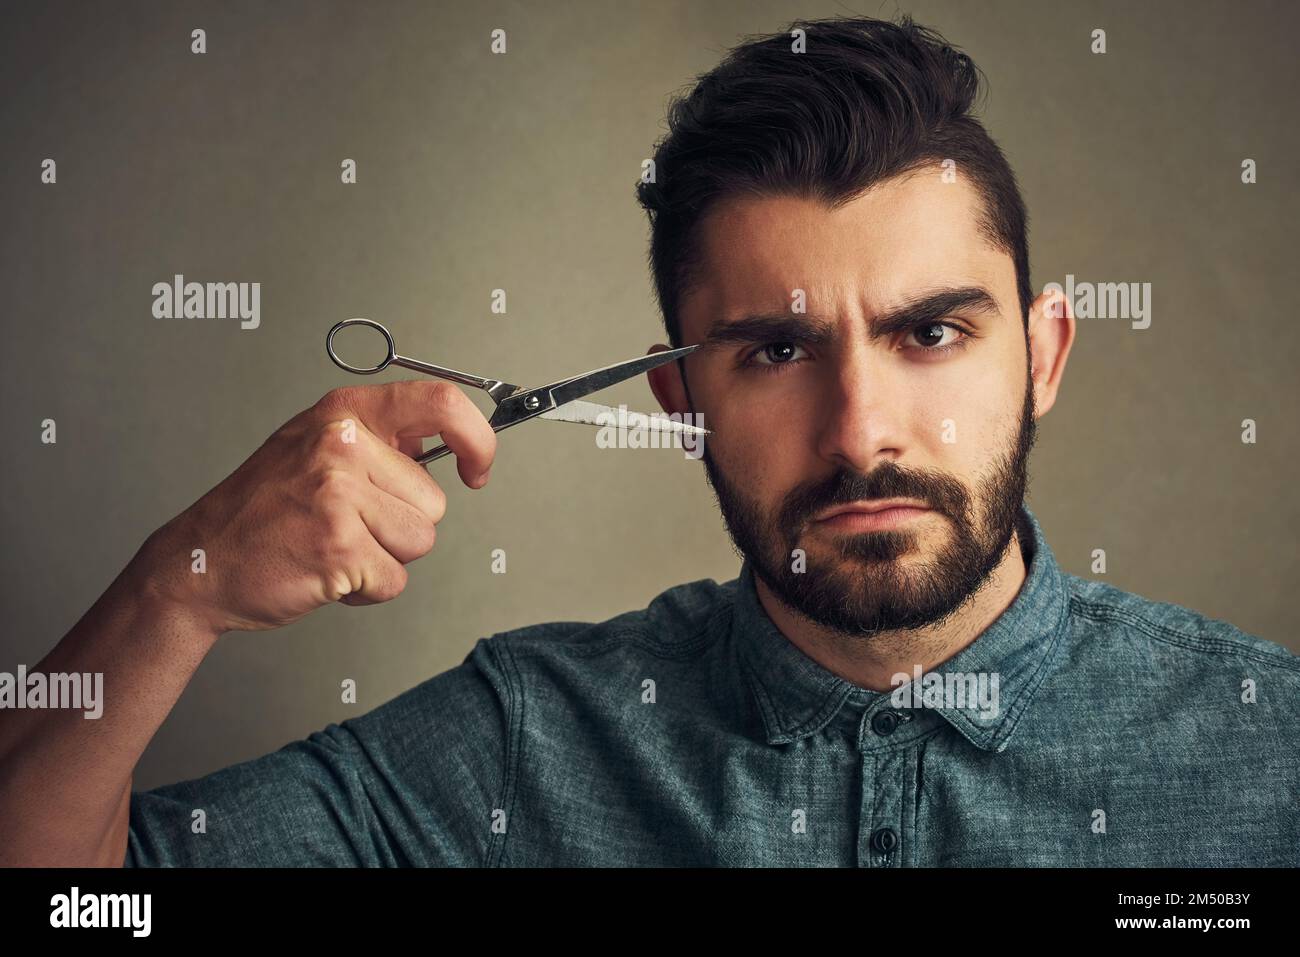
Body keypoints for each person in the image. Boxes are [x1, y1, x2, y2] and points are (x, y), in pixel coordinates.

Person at [1, 14, 1295, 868]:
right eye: (776, 352)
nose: (860, 432)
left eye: (932, 334)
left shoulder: (1265, 750)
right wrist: (182, 585)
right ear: (681, 402)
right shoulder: (527, 746)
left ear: (1045, 355)